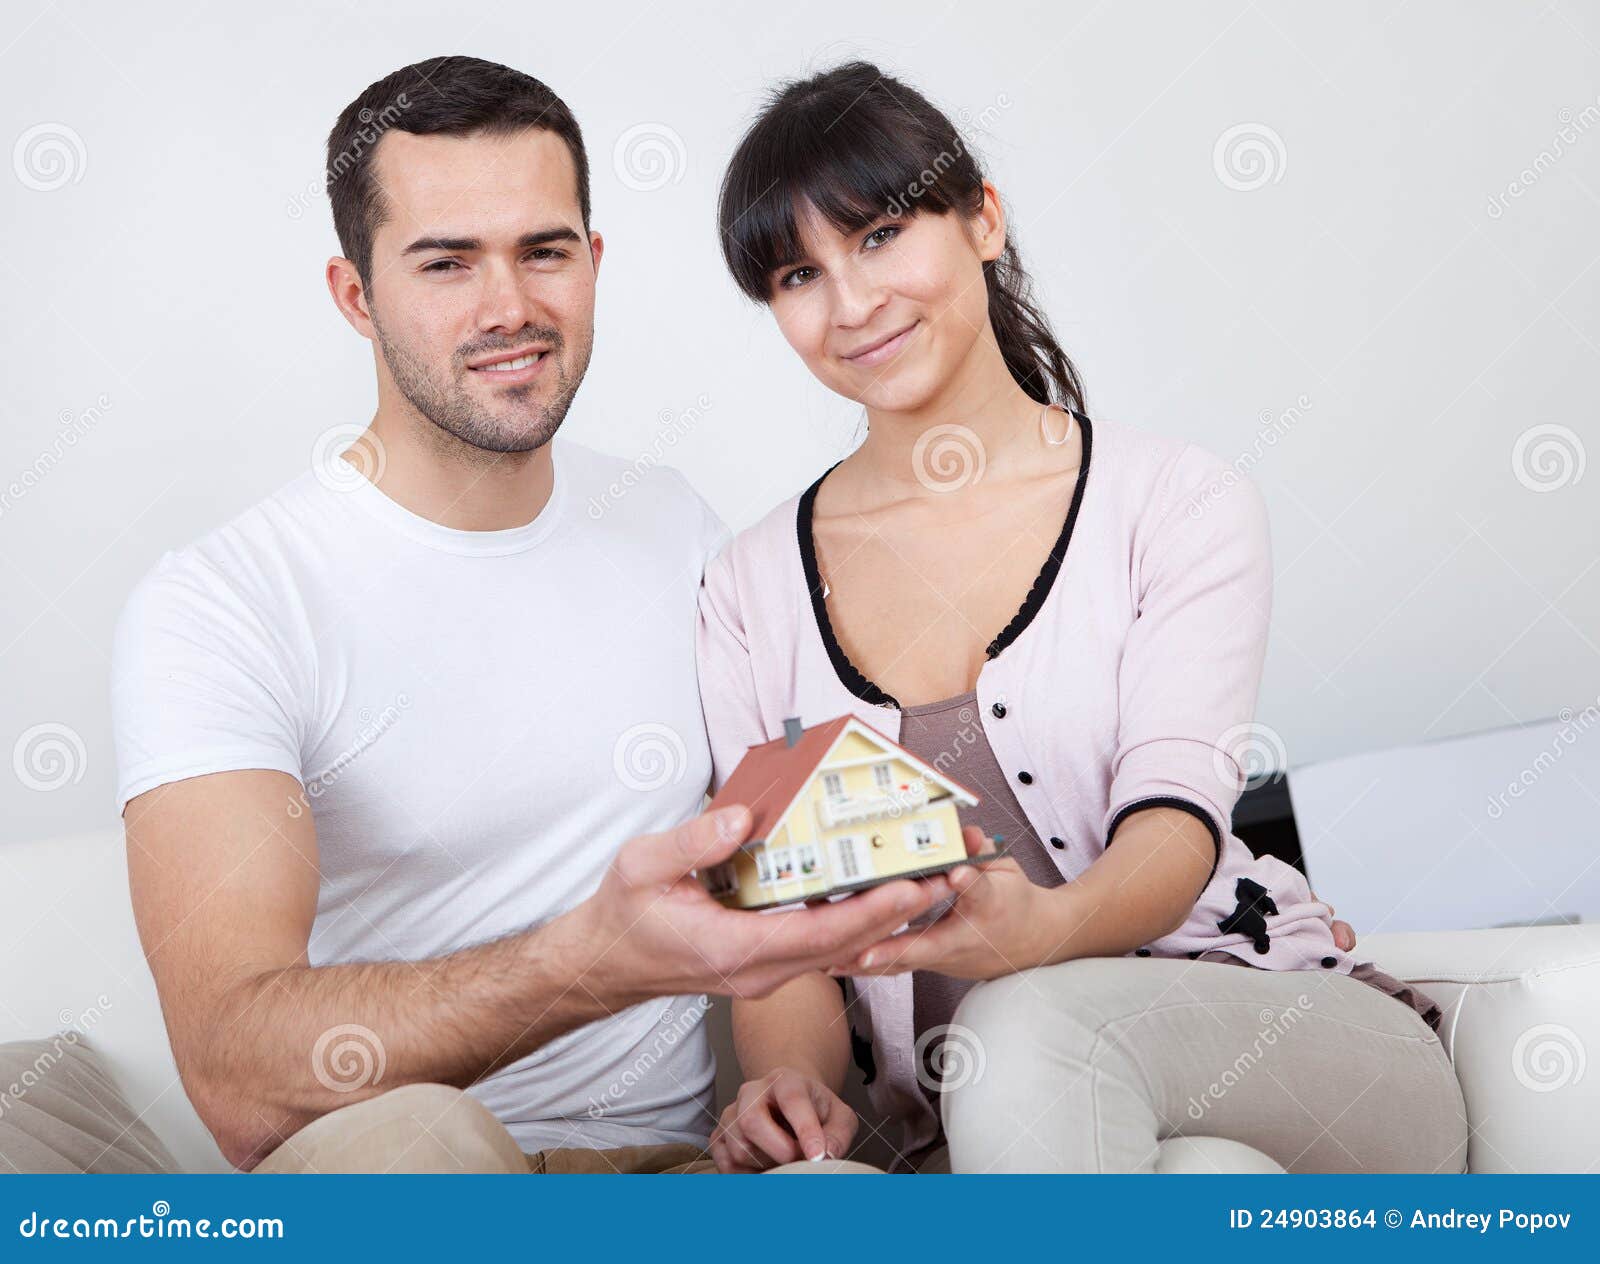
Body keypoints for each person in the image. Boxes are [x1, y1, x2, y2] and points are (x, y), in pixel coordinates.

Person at [110, 55, 952, 1176]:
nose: (509, 307)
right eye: (446, 262)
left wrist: (782, 1080)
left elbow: (776, 890)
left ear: (592, 262)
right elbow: (233, 1073)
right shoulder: (220, 605)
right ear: (355, 294)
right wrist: (590, 960)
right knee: (428, 1146)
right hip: (408, 1171)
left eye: (543, 251)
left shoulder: (674, 528)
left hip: (671, 1170)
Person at [697, 62, 1469, 1174]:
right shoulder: (747, 590)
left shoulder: (1174, 504)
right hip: (1008, 1133)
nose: (852, 303)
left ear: (982, 220)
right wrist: (793, 1094)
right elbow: (786, 945)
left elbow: (1172, 823)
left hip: (1286, 1038)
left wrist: (1045, 935)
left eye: (879, 235)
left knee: (1029, 1031)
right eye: (797, 274)